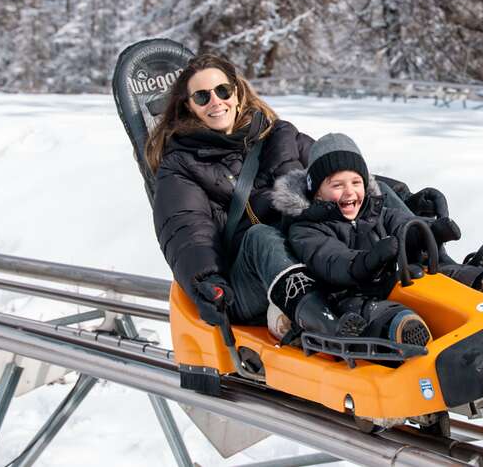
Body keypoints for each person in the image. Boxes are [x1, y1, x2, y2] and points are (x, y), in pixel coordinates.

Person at [146, 54, 368, 338]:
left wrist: (403, 197)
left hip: (309, 252)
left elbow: (339, 173)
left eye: (222, 91)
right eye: (202, 97)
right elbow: (187, 230)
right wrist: (208, 281)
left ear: (237, 93)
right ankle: (325, 324)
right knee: (260, 237)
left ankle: (432, 280)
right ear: (189, 107)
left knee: (368, 194)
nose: (216, 102)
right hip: (245, 283)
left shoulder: (279, 135)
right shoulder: (181, 165)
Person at [272, 133, 483, 345]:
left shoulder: (376, 210)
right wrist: (368, 260)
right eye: (337, 185)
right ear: (316, 192)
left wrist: (432, 232)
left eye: (356, 182)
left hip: (397, 279)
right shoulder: (306, 227)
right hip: (349, 294)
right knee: (381, 312)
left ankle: (481, 281)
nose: (350, 192)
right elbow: (330, 260)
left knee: (436, 275)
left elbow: (403, 227)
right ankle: (402, 329)